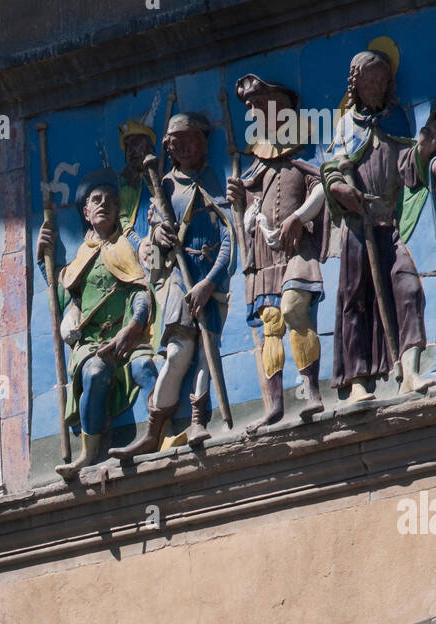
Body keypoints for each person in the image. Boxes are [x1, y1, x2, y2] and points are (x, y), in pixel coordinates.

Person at [112, 112, 233, 459]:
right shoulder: (165, 186)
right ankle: (154, 429)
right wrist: (159, 234)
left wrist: (210, 283)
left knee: (207, 350)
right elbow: (156, 247)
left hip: (210, 280)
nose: (185, 149)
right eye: (177, 145)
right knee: (180, 350)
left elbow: (228, 237)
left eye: (191, 141)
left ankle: (197, 419)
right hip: (181, 279)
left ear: (203, 142)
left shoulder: (214, 179)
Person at [321, 48, 436, 400]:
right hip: (358, 229)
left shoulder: (396, 120)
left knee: (409, 290)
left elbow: (407, 171)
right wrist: (341, 189)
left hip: (389, 226)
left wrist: (423, 152)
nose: (376, 87)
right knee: (356, 299)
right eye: (369, 81)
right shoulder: (344, 127)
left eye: (382, 81)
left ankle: (410, 371)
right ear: (356, 84)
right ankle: (357, 382)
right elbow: (330, 172)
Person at [36, 172, 156, 477]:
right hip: (91, 344)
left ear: (118, 211)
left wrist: (132, 329)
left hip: (127, 337)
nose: (103, 205)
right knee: (94, 372)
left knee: (147, 368)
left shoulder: (124, 249)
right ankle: (89, 453)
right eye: (95, 200)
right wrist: (43, 258)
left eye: (109, 201)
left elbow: (139, 292)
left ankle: (161, 430)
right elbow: (61, 299)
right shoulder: (82, 256)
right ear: (86, 212)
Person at [227, 73, 328, 430]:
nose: (253, 114)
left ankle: (312, 391)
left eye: (258, 107)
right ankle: (274, 404)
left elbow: (320, 189)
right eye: (251, 109)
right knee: (271, 324)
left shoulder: (305, 153)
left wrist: (299, 218)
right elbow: (252, 210)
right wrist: (241, 201)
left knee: (294, 309)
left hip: (298, 249)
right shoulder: (258, 165)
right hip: (267, 255)